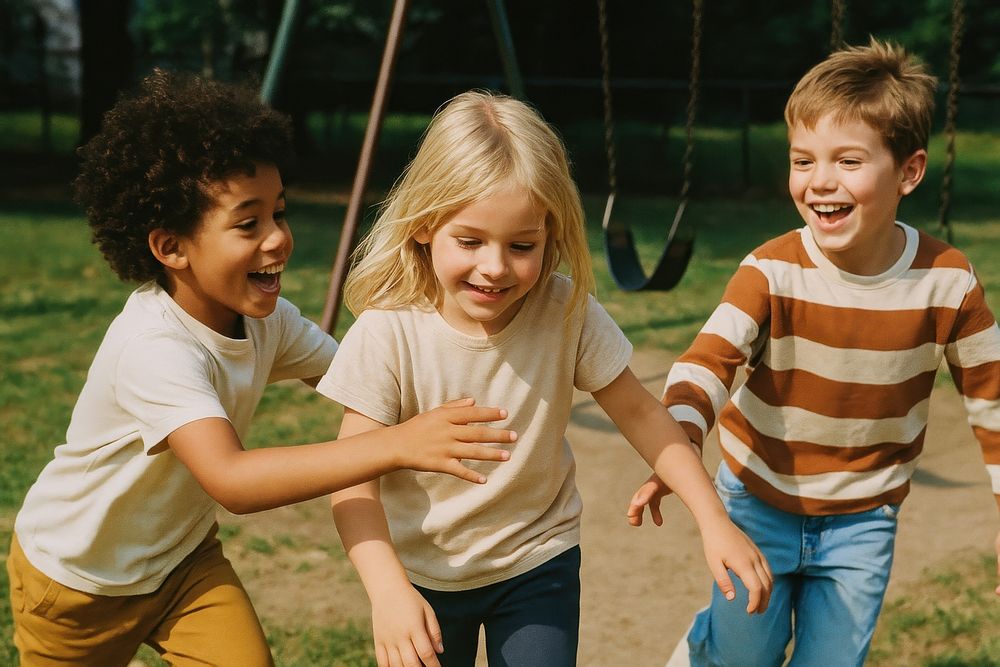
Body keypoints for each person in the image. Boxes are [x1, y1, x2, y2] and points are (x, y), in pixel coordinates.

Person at [6, 70, 518, 667]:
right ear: (171, 247)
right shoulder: (155, 348)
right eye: (248, 224)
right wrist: (398, 445)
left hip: (182, 566)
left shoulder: (266, 319)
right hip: (77, 584)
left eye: (279, 212)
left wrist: (454, 382)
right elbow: (233, 481)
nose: (278, 238)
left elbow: (365, 376)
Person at [317, 89, 773, 667]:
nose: (495, 266)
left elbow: (641, 413)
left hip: (538, 560)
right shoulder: (388, 331)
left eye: (522, 245)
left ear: (553, 238)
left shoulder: (565, 309)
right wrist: (387, 592)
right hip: (422, 576)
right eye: (471, 241)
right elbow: (350, 482)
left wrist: (714, 520)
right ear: (426, 225)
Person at [628, 39, 1000, 666]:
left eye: (848, 161)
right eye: (803, 160)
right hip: (755, 500)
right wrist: (681, 443)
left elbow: (994, 403)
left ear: (908, 172)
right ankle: (708, 647)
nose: (819, 180)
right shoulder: (771, 271)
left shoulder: (948, 281)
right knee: (741, 657)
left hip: (863, 520)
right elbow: (704, 366)